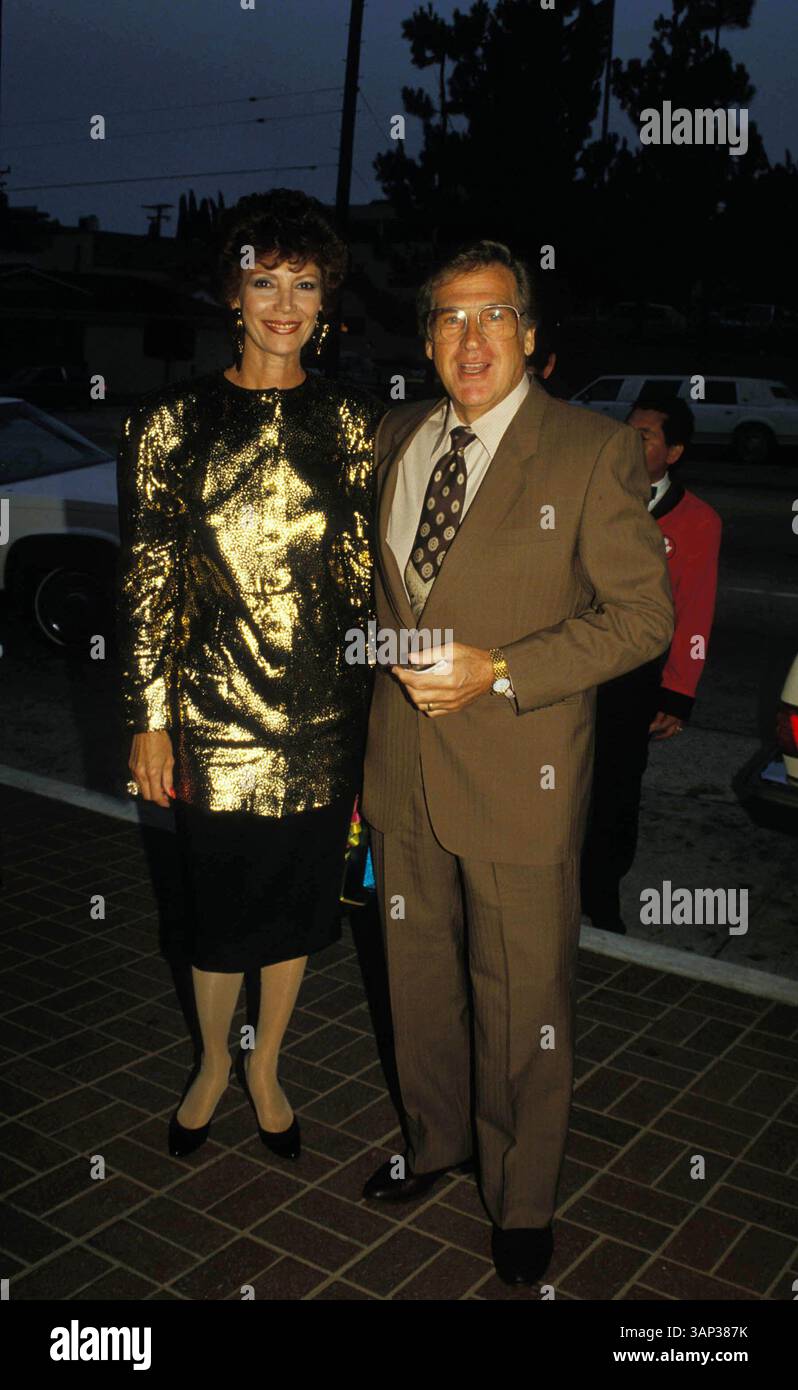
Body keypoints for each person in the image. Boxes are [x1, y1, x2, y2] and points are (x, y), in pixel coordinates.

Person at [359, 239, 674, 1285]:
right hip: (402, 769)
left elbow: (641, 618)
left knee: (523, 998)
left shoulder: (588, 451)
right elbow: (384, 610)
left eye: (495, 315)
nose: (472, 336)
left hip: (522, 772)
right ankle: (436, 1138)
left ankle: (523, 1193)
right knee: (415, 980)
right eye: (451, 317)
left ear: (531, 337)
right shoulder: (396, 436)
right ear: (428, 339)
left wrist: (499, 667)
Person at [117, 189, 383, 1160]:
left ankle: (268, 1063)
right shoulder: (170, 425)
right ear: (233, 293)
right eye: (264, 279)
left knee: (295, 907)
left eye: (303, 283)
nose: (283, 301)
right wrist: (150, 718)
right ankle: (212, 1064)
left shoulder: (357, 426)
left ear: (326, 301)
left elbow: (370, 587)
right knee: (215, 907)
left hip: (322, 721)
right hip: (212, 720)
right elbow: (148, 584)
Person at [580, 395, 722, 934]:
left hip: (634, 679)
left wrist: (677, 692)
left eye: (644, 436)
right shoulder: (595, 495)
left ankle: (601, 896)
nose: (628, 441)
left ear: (675, 451)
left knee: (616, 789)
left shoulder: (697, 521)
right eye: (627, 429)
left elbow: (696, 610)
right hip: (576, 664)